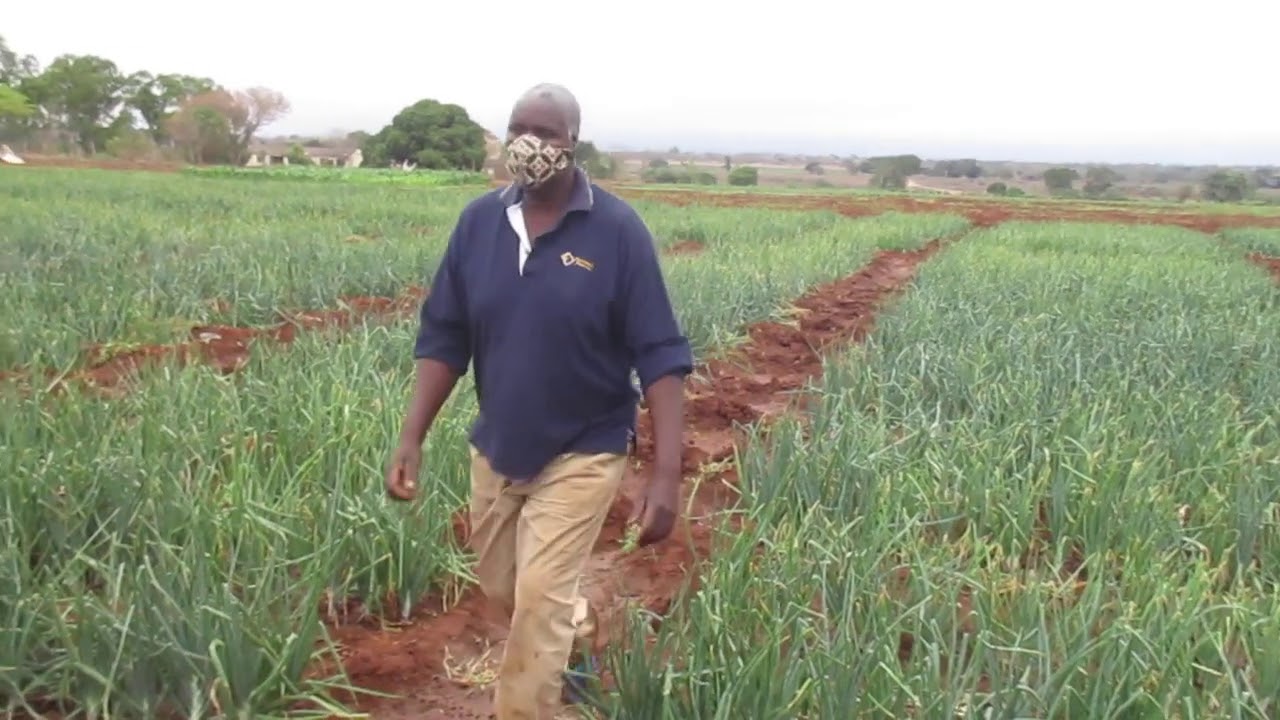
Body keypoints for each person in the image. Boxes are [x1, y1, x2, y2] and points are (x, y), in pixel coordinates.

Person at [384, 82, 692, 719]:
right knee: (507, 592)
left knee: (536, 608)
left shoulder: (615, 231)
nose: (530, 143)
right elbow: (446, 335)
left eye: (546, 132)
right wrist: (412, 435)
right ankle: (575, 639)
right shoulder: (479, 224)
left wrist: (667, 475)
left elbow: (659, 353)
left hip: (583, 448)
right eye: (520, 127)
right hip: (499, 446)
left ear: (573, 142)